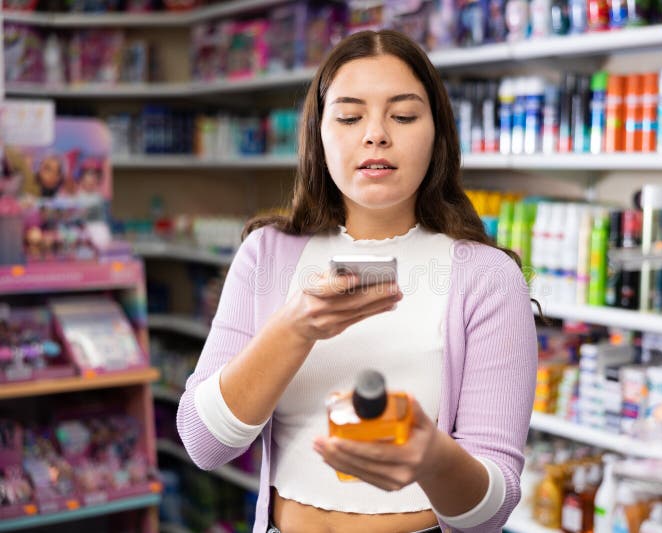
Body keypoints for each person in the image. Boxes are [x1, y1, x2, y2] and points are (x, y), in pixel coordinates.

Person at [178, 29, 537, 533]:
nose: (376, 134)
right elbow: (204, 444)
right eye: (350, 116)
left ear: (437, 134)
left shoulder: (486, 276)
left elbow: (492, 512)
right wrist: (294, 329)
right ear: (318, 133)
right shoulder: (268, 255)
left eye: (404, 115)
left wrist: (433, 458)